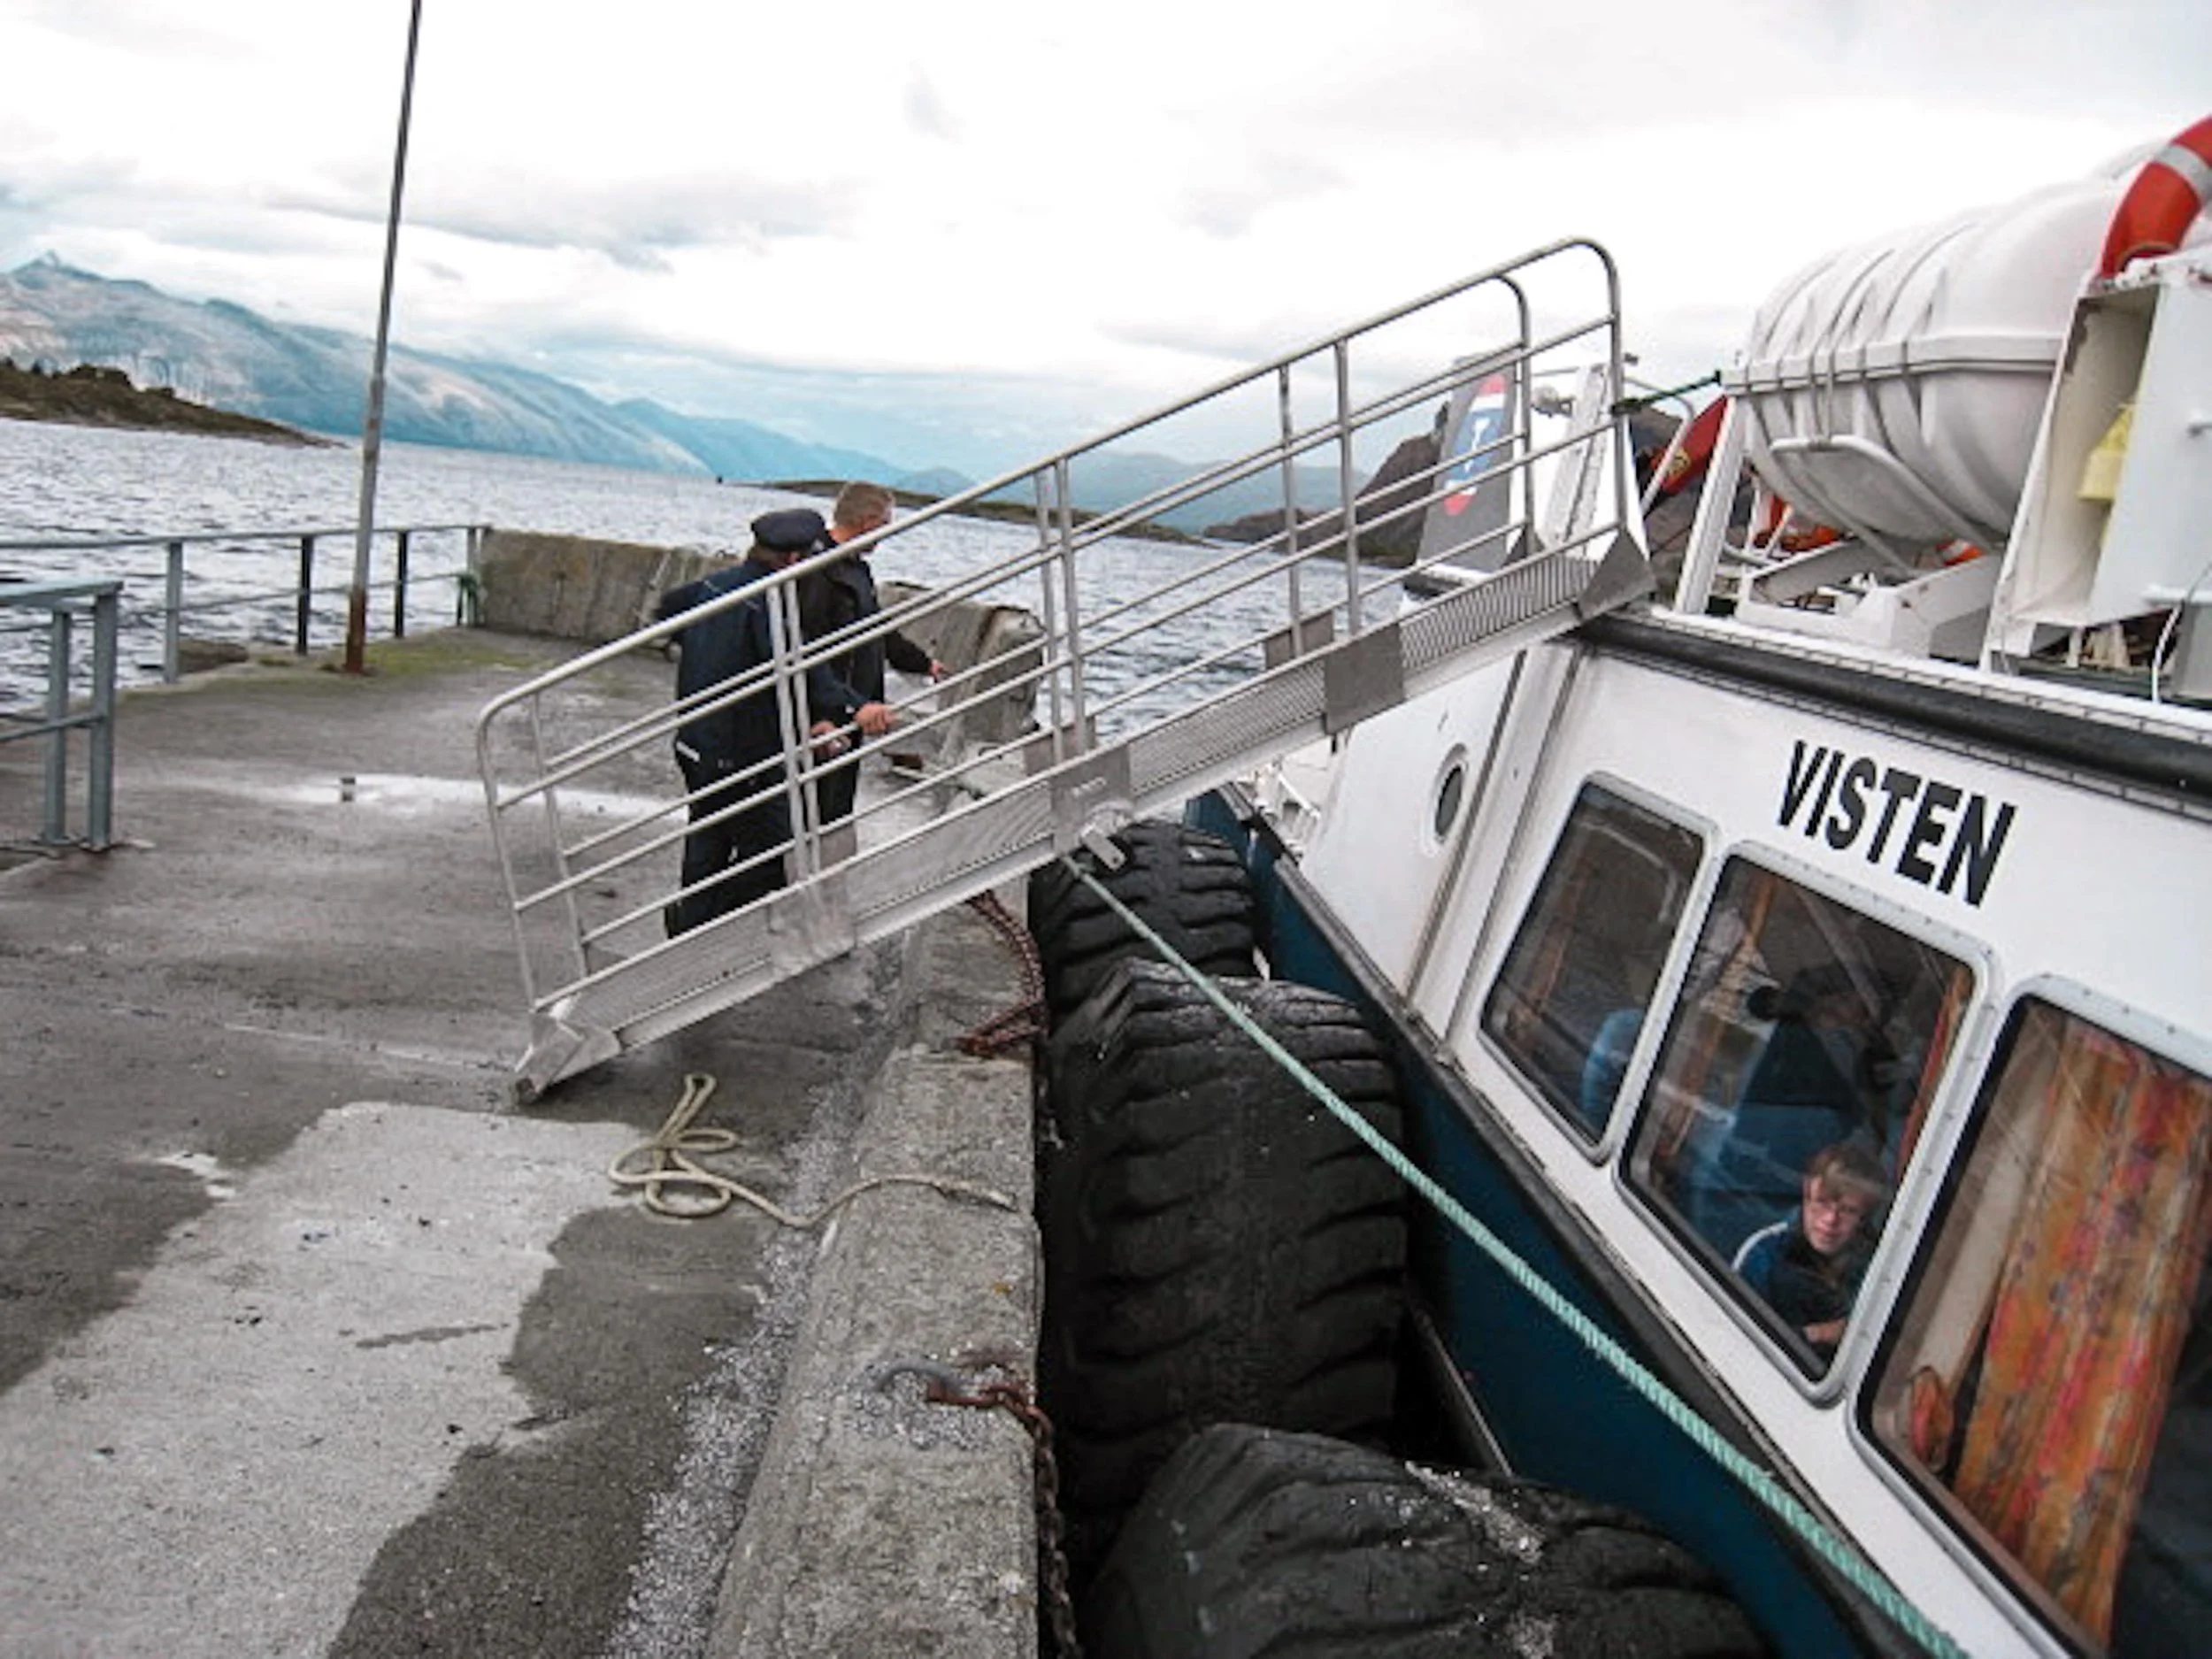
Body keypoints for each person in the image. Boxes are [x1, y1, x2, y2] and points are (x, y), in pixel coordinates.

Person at [652, 507, 895, 935]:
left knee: (708, 838)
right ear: (792, 560)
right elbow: (800, 667)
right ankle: (697, 919)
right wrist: (853, 708)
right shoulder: (768, 603)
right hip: (741, 755)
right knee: (780, 854)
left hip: (695, 742)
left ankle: (690, 934)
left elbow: (666, 610)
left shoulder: (715, 585)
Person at [798, 481, 944, 826]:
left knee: (836, 806)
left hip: (851, 708)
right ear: (867, 521)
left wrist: (922, 662)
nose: (886, 532)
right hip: (829, 710)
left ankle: (825, 871)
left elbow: (878, 629)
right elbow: (806, 647)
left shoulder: (855, 569)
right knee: (817, 808)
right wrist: (820, 714)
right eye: (884, 523)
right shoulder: (820, 572)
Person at [1732, 1141, 1886, 1356]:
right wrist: (1817, 1334)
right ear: (1806, 1194)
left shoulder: (1879, 1266)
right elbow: (1735, 1341)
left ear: (1865, 1217)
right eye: (1822, 1203)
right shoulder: (1765, 1255)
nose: (1831, 1220)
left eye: (1848, 1211)